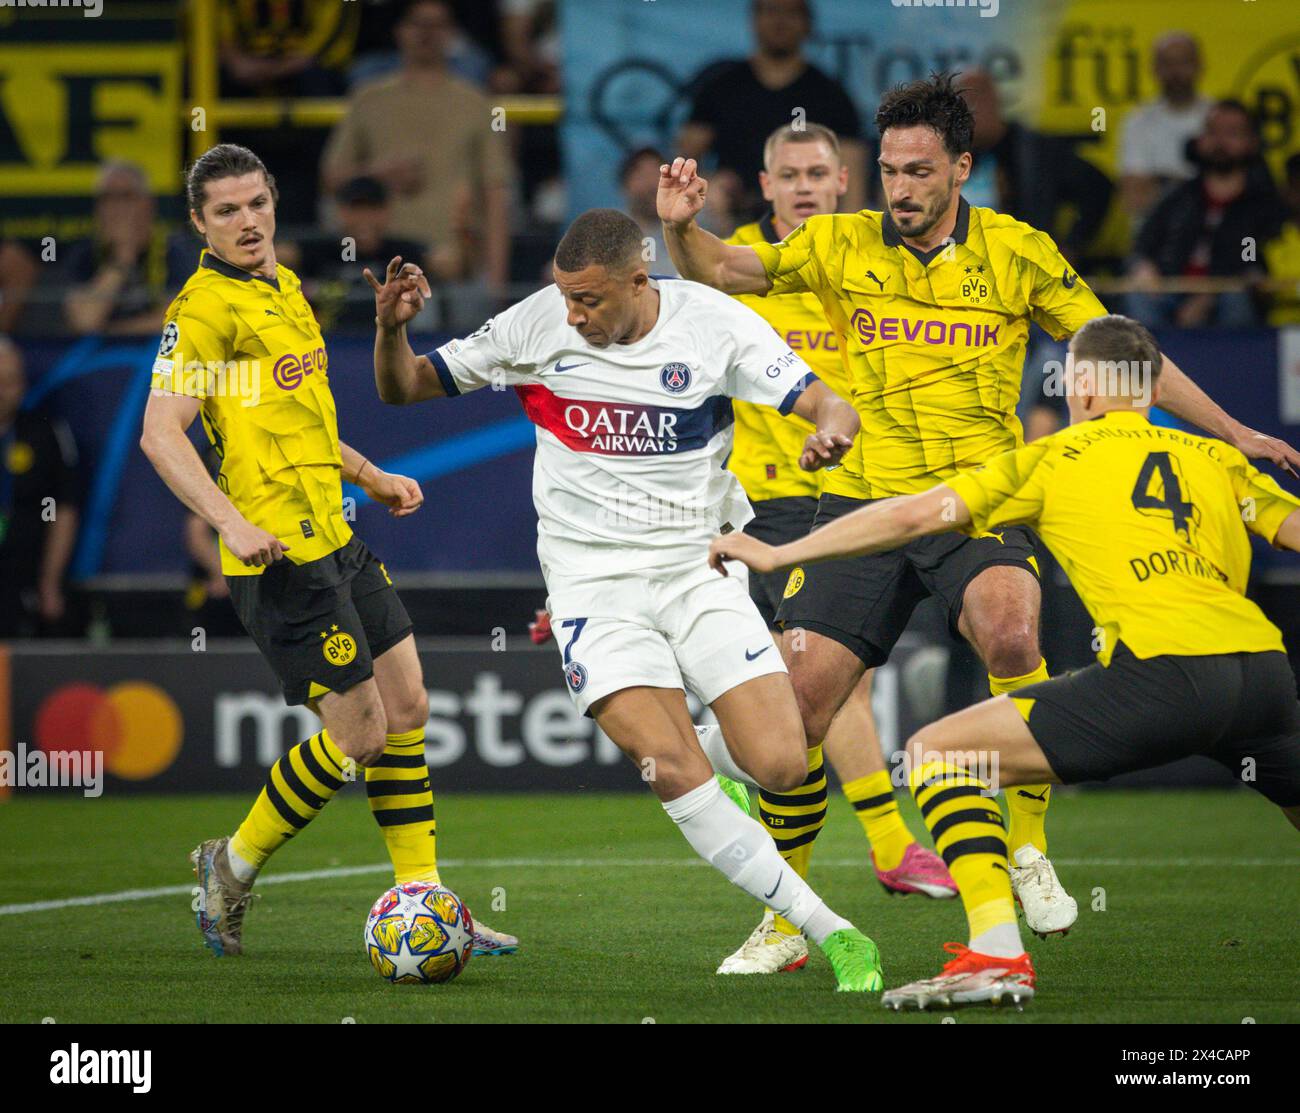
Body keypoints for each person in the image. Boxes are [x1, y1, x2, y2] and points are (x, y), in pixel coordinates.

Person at [659, 71, 1300, 940]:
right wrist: (677, 225)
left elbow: (1122, 353)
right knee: (796, 723)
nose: (902, 189)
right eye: (890, 170)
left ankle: (1028, 849)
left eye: (920, 171)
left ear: (961, 167)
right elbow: (723, 266)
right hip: (867, 498)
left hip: (975, 498)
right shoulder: (840, 243)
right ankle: (784, 913)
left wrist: (1232, 430)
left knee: (1010, 629)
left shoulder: (1019, 251)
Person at [709, 314, 1300, 1010]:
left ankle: (995, 952)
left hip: (1163, 676)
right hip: (1264, 672)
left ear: (1080, 384)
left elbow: (906, 518)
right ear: (1150, 386)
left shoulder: (1053, 458)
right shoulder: (1214, 459)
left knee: (936, 755)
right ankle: (1026, 860)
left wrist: (779, 554)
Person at [367, 208, 888, 991]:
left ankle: (709, 764)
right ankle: (834, 931)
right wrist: (389, 332)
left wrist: (831, 434)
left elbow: (829, 403)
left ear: (640, 281)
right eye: (566, 297)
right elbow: (404, 387)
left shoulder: (713, 324)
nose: (574, 315)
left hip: (696, 565)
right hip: (590, 584)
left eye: (589, 301)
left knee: (781, 761)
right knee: (669, 767)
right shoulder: (537, 324)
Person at [139, 143, 515, 960]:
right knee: (360, 736)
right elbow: (158, 434)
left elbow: (299, 421)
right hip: (276, 559)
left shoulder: (285, 289)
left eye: (256, 204)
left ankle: (427, 898)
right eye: (226, 211)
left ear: (276, 203)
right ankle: (230, 867)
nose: (246, 221)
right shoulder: (202, 312)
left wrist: (369, 471)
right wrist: (227, 523)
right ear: (200, 224)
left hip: (336, 536)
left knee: (409, 705)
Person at [715, 121, 956, 980]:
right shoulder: (734, 270)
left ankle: (817, 890)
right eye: (791, 174)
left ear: (844, 179)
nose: (808, 186)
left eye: (821, 172)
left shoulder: (867, 260)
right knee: (788, 693)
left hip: (850, 497)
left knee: (817, 677)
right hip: (754, 502)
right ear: (766, 183)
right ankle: (884, 840)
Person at [321, 0, 512, 293]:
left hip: (454, 268)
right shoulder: (368, 99)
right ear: (399, 31)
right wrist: (377, 174)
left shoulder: (477, 104)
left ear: (451, 34)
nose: (426, 33)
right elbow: (331, 177)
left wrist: (497, 286)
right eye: (417, 24)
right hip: (378, 266)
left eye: (436, 25)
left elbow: (495, 194)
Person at [678, 0, 865, 220]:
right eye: (771, 11)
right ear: (754, 20)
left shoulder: (832, 97)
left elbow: (853, 183)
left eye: (791, 13)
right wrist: (710, 183)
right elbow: (683, 162)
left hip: (807, 224)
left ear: (808, 24)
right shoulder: (721, 86)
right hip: (730, 225)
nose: (780, 21)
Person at [1127, 100, 1284, 329]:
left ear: (1251, 142)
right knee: (1137, 296)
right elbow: (1143, 245)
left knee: (1235, 300)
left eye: (1232, 133)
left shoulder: (1262, 204)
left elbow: (1255, 263)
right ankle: (1152, 364)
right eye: (1212, 132)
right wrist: (1143, 267)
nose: (1220, 142)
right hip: (1172, 292)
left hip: (1228, 296)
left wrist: (1209, 297)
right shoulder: (1179, 196)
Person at [955, 70, 1113, 268]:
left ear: (993, 101)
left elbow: (1098, 187)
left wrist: (1072, 246)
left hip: (1028, 267)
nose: (966, 116)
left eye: (972, 103)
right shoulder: (952, 156)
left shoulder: (1036, 153)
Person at [0, 336, 81, 638]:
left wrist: (50, 581)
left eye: (9, 382)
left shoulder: (44, 433)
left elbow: (63, 510)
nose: (2, 391)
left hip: (22, 576)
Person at [63, 162, 191, 337]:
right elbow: (85, 321)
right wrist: (122, 258)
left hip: (155, 348)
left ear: (147, 205)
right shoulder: (85, 252)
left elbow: (177, 320)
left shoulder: (174, 248)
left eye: (126, 196)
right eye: (107, 198)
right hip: (97, 351)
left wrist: (113, 331)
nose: (116, 207)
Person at [1118, 32, 1212, 225]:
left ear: (1199, 66)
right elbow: (1134, 198)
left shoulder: (1216, 118)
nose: (1175, 72)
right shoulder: (1138, 121)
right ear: (1154, 69)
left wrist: (1160, 182)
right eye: (1167, 64)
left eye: (1183, 62)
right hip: (1152, 240)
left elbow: (1232, 193)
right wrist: (1199, 188)